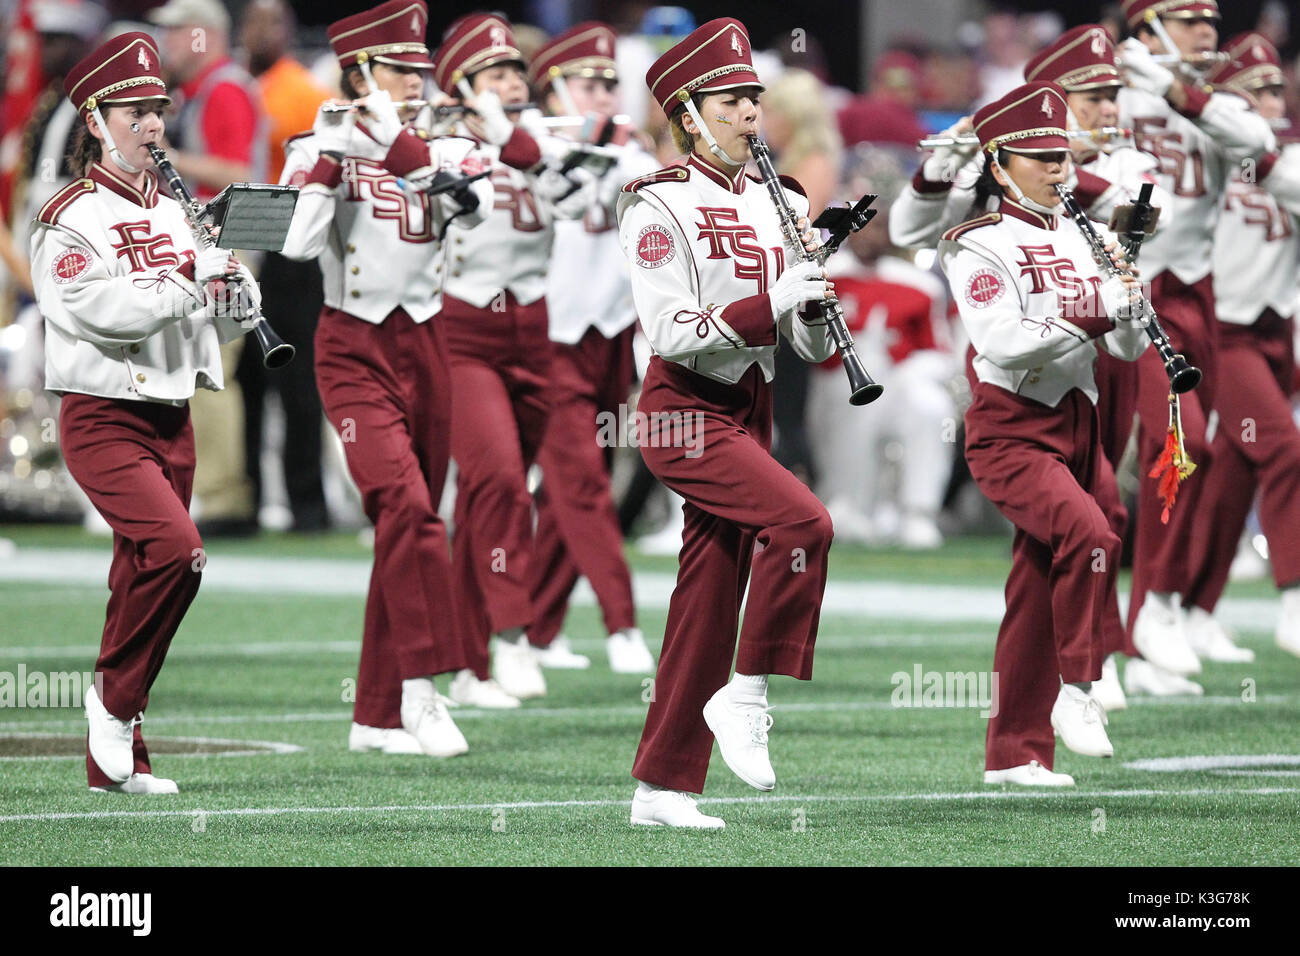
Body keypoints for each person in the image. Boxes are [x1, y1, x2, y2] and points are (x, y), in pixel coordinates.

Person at [892, 21, 1177, 707]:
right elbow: (911, 232)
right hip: (1021, 351)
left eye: (1113, 98)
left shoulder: (1105, 168)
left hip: (1095, 350)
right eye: (1094, 100)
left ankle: (1042, 710)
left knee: (1098, 512)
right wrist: (949, 160)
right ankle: (1088, 668)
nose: (1109, 113)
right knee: (1080, 522)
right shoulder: (1011, 167)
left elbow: (1142, 225)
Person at [617, 18, 839, 829]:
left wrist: (814, 305)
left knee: (707, 596)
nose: (753, 112)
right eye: (733, 99)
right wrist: (775, 300)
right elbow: (671, 331)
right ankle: (746, 693)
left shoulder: (779, 200)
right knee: (805, 523)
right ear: (688, 114)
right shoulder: (655, 202)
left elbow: (803, 341)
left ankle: (662, 788)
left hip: (751, 402)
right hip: (682, 408)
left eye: (755, 97)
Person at [31, 31, 258, 793]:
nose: (153, 126)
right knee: (178, 551)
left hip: (173, 413)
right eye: (134, 113)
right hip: (103, 414)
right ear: (95, 122)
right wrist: (193, 281)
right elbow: (102, 312)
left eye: (158, 111)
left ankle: (113, 756)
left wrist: (236, 298)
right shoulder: (68, 216)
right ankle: (114, 703)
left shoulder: (180, 211)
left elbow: (211, 322)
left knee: (138, 576)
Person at [278, 0, 495, 757]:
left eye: (418, 70)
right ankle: (422, 689)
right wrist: (329, 161)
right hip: (352, 343)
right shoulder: (316, 142)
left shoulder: (454, 141)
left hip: (428, 341)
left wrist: (394, 143)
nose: (417, 83)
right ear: (363, 72)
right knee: (404, 507)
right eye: (401, 72)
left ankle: (371, 715)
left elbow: (469, 206)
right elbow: (300, 246)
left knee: (411, 520)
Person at [939, 80, 1150, 787]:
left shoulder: (1083, 236)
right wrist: (1097, 309)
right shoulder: (975, 245)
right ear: (998, 165)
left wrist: (1126, 307)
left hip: (1079, 425)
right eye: (1038, 157)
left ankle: (1015, 753)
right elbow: (1003, 342)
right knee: (1091, 537)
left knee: (1035, 585)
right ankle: (1080, 688)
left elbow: (1120, 353)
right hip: (1011, 431)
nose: (1058, 169)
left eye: (1061, 156)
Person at [431, 13, 594, 706]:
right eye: (496, 74)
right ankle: (511, 633)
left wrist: (517, 142)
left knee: (490, 497)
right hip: (462, 324)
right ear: (464, 83)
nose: (513, 84)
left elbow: (582, 202)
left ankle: (467, 665)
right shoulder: (434, 147)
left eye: (515, 74)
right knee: (497, 478)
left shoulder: (544, 141)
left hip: (534, 328)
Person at [1116, 0, 1275, 690]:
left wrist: (1178, 90)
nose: (1207, 33)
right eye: (1188, 20)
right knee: (1186, 447)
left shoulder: (1203, 99)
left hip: (1195, 295)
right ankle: (1144, 610)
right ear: (1146, 27)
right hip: (1125, 291)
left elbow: (1256, 141)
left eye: (1210, 20)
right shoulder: (1113, 85)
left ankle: (1155, 615)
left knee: (1195, 455)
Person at [522, 21, 657, 673]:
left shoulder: (633, 154)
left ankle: (536, 629)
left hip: (608, 336)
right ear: (550, 91)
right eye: (586, 83)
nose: (602, 94)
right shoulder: (524, 149)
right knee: (581, 483)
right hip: (544, 336)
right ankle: (621, 621)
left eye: (609, 83)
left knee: (579, 485)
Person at [1181, 34, 1300, 660]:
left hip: (1277, 333)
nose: (1273, 102)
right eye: (1257, 92)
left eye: (1277, 88)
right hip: (1223, 335)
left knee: (1232, 472)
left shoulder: (1287, 158)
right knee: (1284, 451)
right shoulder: (1205, 160)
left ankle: (1191, 608)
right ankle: (1295, 598)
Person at [149, 0, 269, 538]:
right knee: (207, 371)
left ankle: (222, 497)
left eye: (176, 33)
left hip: (232, 246)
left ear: (204, 35)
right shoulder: (200, 92)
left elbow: (237, 171)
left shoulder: (225, 88)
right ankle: (219, 492)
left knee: (212, 370)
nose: (167, 43)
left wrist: (167, 156)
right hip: (218, 247)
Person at [235, 0, 332, 533]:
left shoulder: (301, 91)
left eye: (272, 21)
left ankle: (308, 504)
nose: (260, 32)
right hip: (249, 237)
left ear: (289, 30)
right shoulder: (241, 83)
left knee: (297, 378)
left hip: (289, 241)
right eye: (253, 20)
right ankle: (246, 497)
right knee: (245, 375)